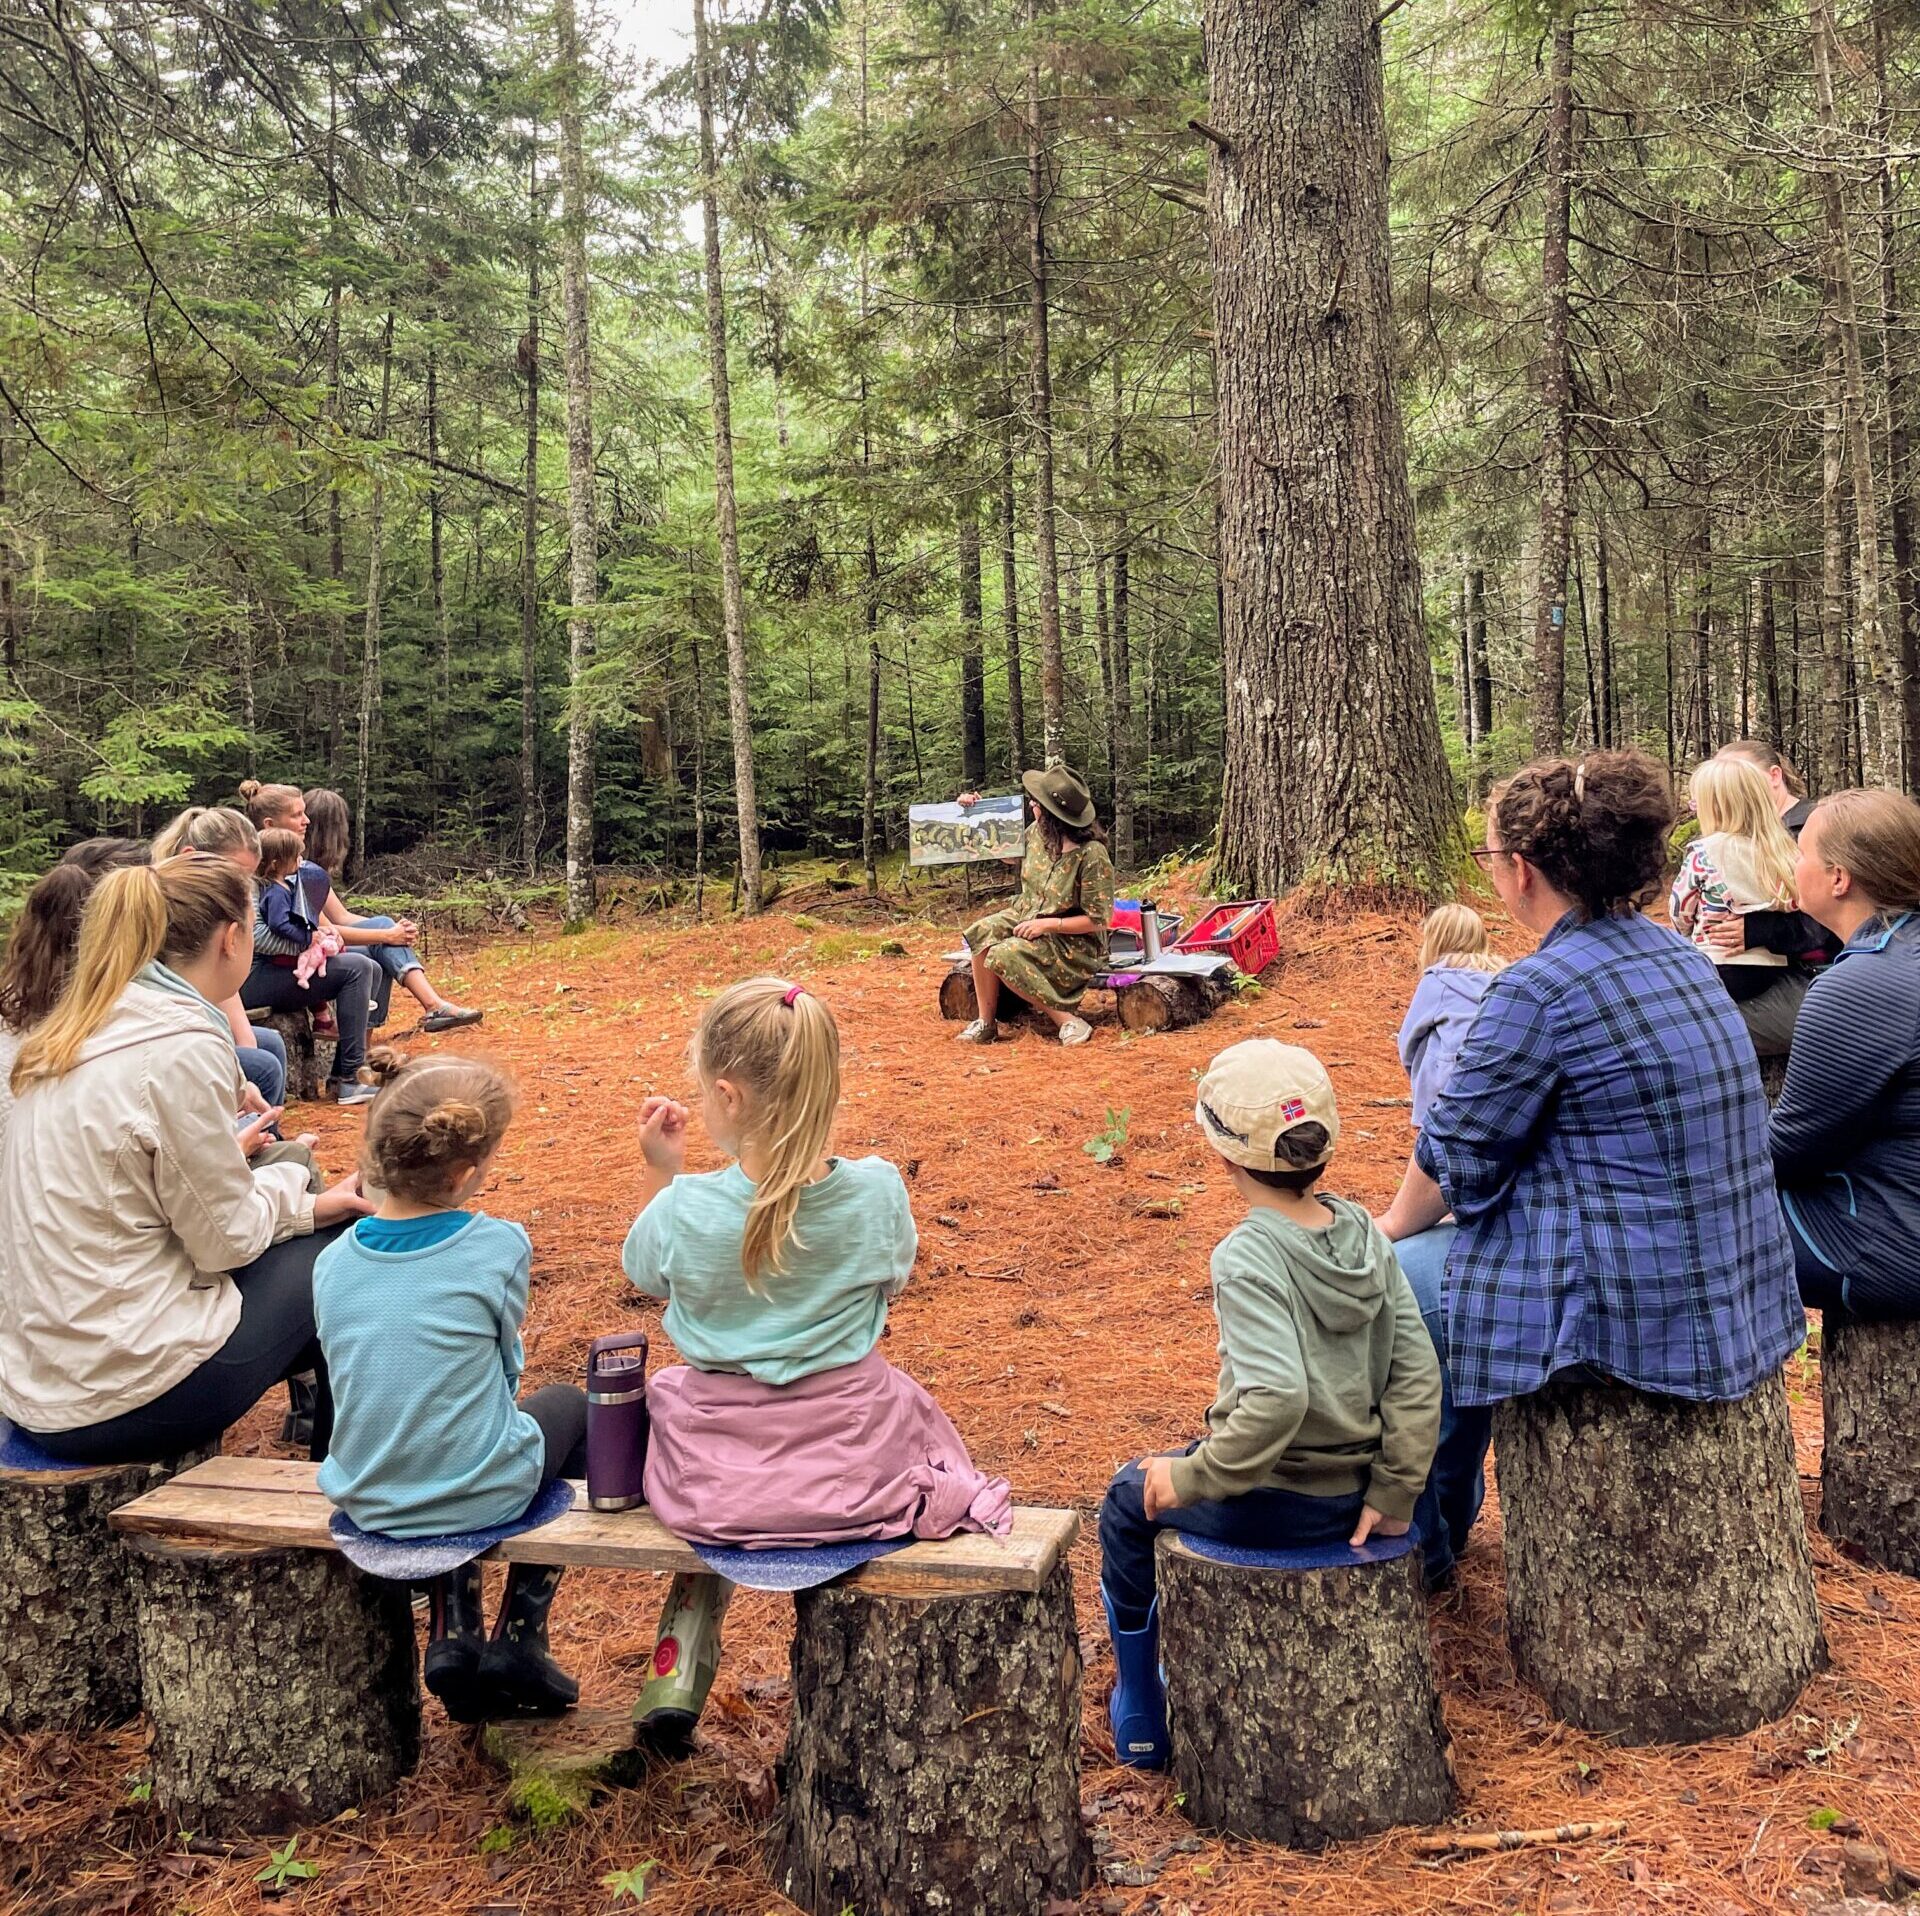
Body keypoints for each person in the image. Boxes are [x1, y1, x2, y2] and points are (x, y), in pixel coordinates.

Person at [1376, 750, 1803, 1587]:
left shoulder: (1537, 989)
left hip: (1631, 1305)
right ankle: (1434, 1529)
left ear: (1523, 870)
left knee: (1396, 1287)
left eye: (1491, 858)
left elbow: (1457, 1157)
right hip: (1734, 1281)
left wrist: (1388, 1228)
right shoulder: (1677, 954)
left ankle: (1419, 1543)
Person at [621, 976, 1010, 1751]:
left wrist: (663, 1174)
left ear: (727, 1097)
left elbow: (643, 1272)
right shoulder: (875, 1193)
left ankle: (679, 1666)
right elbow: (894, 1274)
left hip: (716, 1480)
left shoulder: (685, 1206)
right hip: (851, 1473)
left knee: (675, 1421)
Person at [1097, 1040, 1440, 1770]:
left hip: (1277, 1498)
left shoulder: (1248, 1254)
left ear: (1222, 1152)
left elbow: (1276, 1399)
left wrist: (1189, 1480)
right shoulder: (1364, 1235)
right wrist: (1397, 1485)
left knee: (1129, 1498)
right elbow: (1415, 1373)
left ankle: (1139, 1703)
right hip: (1357, 1499)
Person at [0, 859, 373, 1463]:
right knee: (354, 1257)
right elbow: (225, 1239)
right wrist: (295, 1189)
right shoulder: (176, 1042)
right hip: (121, 1393)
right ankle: (345, 1491)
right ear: (232, 937)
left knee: (318, 1231)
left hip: (44, 1376)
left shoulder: (80, 1025)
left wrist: (295, 1199)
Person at [314, 1053, 586, 1721]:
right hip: (479, 1488)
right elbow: (505, 1367)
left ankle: (452, 1626)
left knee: (430, 1422)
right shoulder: (500, 1245)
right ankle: (522, 1633)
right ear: (466, 1172)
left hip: (369, 1496)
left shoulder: (328, 1263)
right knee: (571, 1408)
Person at [1771, 788, 1920, 1318]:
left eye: (1802, 852)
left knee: (1686, 1216)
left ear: (1839, 878)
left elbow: (1789, 1153)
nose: (1794, 863)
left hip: (1893, 1252)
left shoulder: (1861, 983)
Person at [233, 784, 383, 1105]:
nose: (306, 821)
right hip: (251, 978)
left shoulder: (286, 868)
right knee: (357, 968)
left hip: (277, 970)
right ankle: (349, 1078)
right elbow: (257, 937)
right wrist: (309, 941)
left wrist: (324, 936)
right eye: (297, 814)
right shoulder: (251, 874)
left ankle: (344, 1076)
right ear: (270, 827)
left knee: (368, 964)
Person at [953, 768, 1115, 1047]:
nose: (1031, 805)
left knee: (1005, 953)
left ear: (1053, 814)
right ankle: (986, 1022)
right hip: (1026, 915)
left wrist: (1048, 925)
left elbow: (1099, 920)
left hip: (1072, 940)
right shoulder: (1036, 834)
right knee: (981, 932)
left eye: (1036, 803)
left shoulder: (1091, 855)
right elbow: (1005, 854)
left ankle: (1068, 1021)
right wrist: (975, 812)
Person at [298, 786, 481, 1032]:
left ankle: (414, 1016)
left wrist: (394, 930)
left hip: (319, 949)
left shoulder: (310, 870)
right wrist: (386, 934)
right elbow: (325, 929)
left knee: (383, 940)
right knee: (380, 944)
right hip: (306, 956)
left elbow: (343, 916)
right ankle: (431, 1006)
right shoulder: (303, 872)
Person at [151, 805, 298, 1107]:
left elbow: (220, 982)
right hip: (164, 1038)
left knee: (268, 1043)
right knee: (263, 1066)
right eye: (233, 875)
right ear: (191, 856)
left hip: (184, 1025)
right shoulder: (170, 904)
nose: (241, 889)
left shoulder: (209, 900)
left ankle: (266, 1133)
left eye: (246, 880)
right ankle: (256, 1140)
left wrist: (244, 1040)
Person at [1701, 741, 1841, 1051]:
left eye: (1740, 777)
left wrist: (1759, 930)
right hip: (1754, 972)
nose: (1731, 787)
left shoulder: (1812, 828)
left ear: (1774, 776)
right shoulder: (1733, 836)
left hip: (1813, 978)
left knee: (1695, 1026)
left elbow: (1833, 923)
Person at [1670, 755, 1804, 1054]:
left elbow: (1681, 908)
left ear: (1713, 807)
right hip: (1766, 971)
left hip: (1715, 965)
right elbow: (1795, 901)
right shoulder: (1782, 848)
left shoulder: (1703, 852)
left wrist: (1684, 929)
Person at [1397, 904, 1504, 1130]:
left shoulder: (1437, 981)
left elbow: (1408, 1041)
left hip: (1448, 1091)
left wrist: (1419, 1076)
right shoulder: (1503, 977)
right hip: (1499, 1084)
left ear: (1435, 942)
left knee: (1430, 1041)